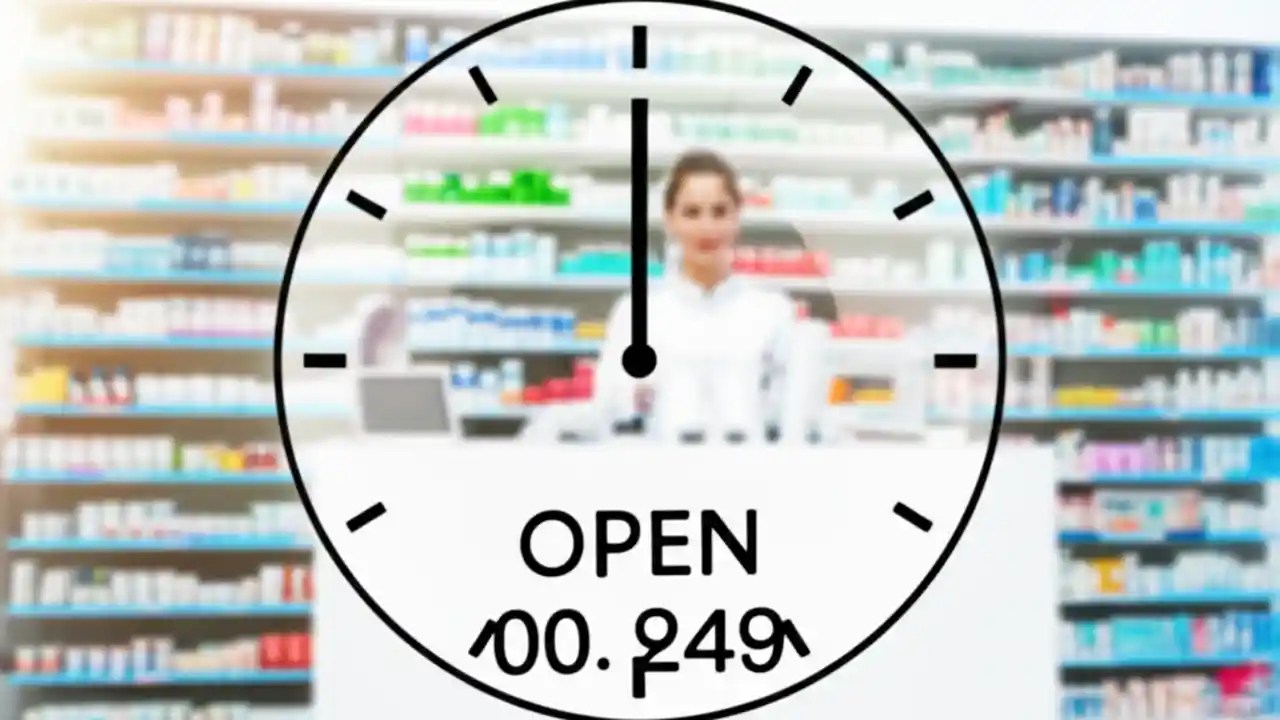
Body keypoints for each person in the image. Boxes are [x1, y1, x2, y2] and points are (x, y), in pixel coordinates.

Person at [594, 149, 796, 443]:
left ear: (737, 217)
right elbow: (606, 408)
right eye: (691, 212)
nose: (707, 227)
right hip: (659, 474)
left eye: (719, 211)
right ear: (669, 219)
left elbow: (791, 412)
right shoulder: (637, 312)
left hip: (750, 474)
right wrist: (637, 392)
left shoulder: (771, 311)